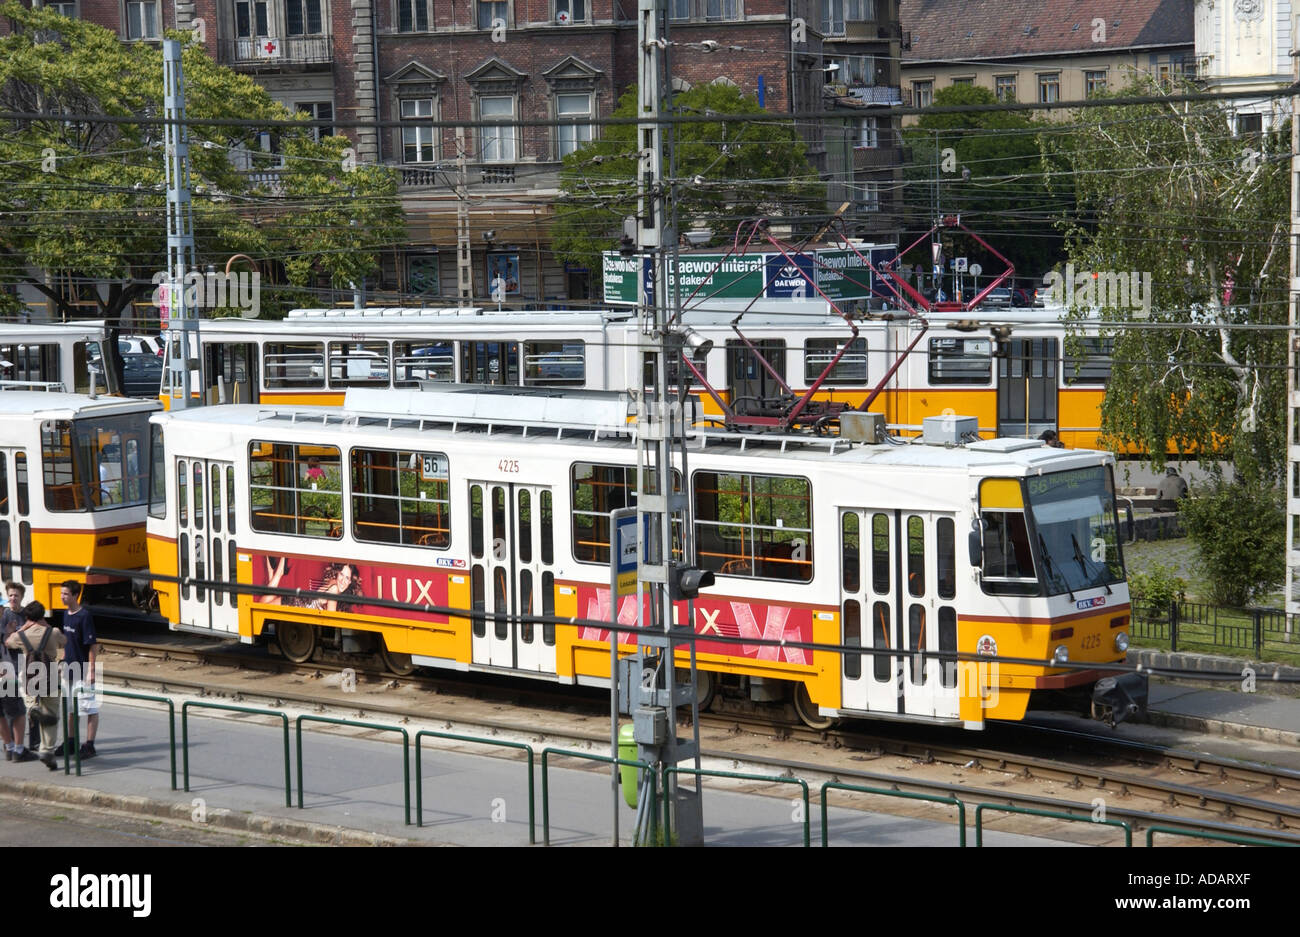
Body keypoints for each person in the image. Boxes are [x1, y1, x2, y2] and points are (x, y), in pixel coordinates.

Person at [6, 602, 64, 770]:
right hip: (51, 677)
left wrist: (23, 628)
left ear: (27, 618)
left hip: (30, 677)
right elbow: (64, 642)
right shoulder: (53, 632)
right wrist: (47, 626)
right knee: (51, 714)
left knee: (29, 698)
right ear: (43, 616)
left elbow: (8, 642)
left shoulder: (22, 636)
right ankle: (47, 750)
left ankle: (32, 708)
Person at [59, 580, 99, 759]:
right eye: (62, 593)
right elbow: (67, 640)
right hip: (69, 668)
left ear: (75, 595)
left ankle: (89, 745)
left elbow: (92, 645)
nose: (62, 597)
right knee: (70, 708)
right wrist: (62, 659)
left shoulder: (84, 616)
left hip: (82, 669)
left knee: (89, 708)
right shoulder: (65, 614)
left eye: (65, 594)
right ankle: (71, 741)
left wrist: (92, 670)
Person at [0, 583, 32, 762]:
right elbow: (6, 641)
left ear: (21, 597)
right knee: (17, 711)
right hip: (8, 670)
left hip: (20, 666)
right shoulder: (5, 616)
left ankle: (12, 747)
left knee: (8, 711)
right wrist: (11, 634)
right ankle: (17, 750)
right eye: (10, 595)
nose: (13, 599)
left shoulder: (25, 614)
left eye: (16, 596)